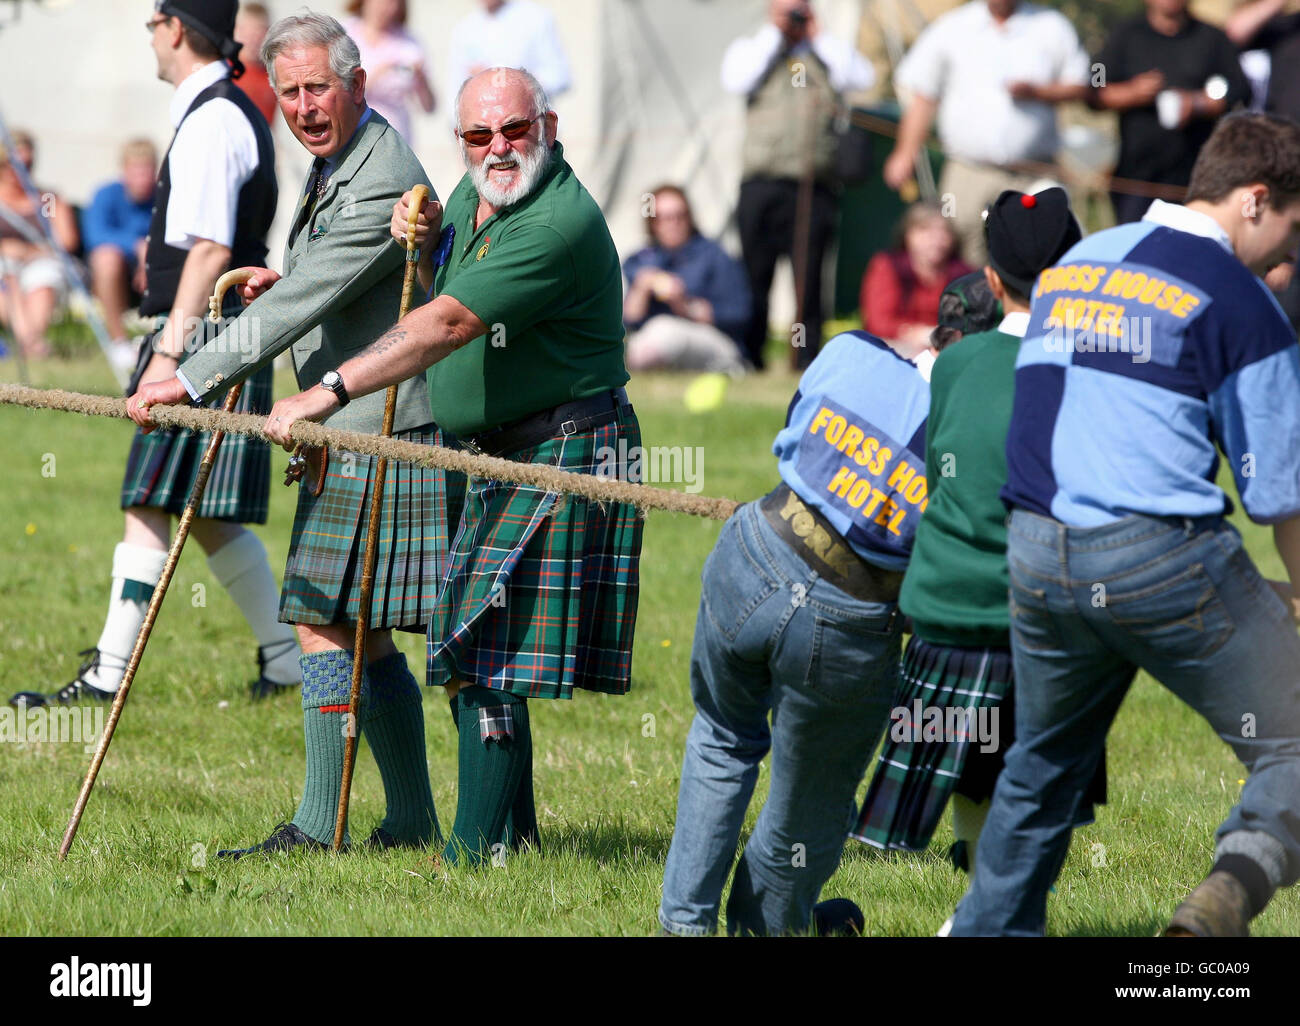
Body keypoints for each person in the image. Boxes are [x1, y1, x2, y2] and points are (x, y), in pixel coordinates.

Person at [250, 66, 643, 868]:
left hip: (563, 445)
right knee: (483, 643)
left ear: (550, 127)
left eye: (514, 130)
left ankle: (470, 858)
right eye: (477, 135)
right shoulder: (476, 197)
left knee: (478, 645)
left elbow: (450, 321)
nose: (497, 149)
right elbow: (447, 285)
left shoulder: (554, 223)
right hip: (503, 448)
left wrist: (327, 391)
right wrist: (427, 247)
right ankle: (512, 840)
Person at [947, 112, 1300, 937]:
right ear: (1255, 201)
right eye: (1290, 225)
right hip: (1157, 556)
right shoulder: (1242, 302)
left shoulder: (1076, 265)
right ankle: (1226, 898)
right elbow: (1282, 499)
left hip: (1035, 553)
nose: (1288, 251)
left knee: (1039, 771)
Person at [128, 10, 459, 856]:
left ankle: (318, 828)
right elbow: (322, 280)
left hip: (376, 425)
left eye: (320, 87)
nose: (306, 105)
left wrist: (187, 373)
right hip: (350, 424)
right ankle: (414, 821)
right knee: (361, 627)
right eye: (291, 92)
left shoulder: (385, 171)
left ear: (356, 84)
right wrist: (299, 272)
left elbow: (296, 307)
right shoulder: (339, 156)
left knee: (318, 617)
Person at [8, 1, 299, 710]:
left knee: (148, 498)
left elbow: (208, 249)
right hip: (217, 330)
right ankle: (287, 659)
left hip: (202, 335)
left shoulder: (213, 117)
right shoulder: (221, 111)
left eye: (152, 23)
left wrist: (168, 356)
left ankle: (109, 672)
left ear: (174, 28)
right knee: (199, 510)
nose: (150, 36)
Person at [657, 286, 955, 936]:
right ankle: (762, 931)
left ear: (937, 333)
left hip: (755, 546)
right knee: (806, 809)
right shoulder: (973, 438)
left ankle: (682, 927)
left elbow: (795, 431)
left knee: (721, 740)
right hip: (849, 615)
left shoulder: (852, 349)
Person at [853, 191, 1108, 895]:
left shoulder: (956, 364)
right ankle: (994, 901)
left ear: (990, 283)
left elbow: (940, 479)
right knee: (1029, 785)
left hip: (941, 615)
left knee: (975, 762)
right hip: (1042, 616)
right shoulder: (1094, 367)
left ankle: (974, 871)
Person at [721, 0, 874, 370]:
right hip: (762, 182)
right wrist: (776, 34)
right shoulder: (753, 48)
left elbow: (863, 79)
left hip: (814, 185)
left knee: (810, 279)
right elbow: (737, 79)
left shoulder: (825, 53)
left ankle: (806, 358)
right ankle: (751, 354)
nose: (792, 18)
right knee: (756, 274)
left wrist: (817, 36)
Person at [883, 0, 1091, 263]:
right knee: (959, 249)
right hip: (968, 170)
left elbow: (1083, 84)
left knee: (1046, 250)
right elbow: (924, 94)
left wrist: (1039, 92)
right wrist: (905, 152)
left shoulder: (1052, 27)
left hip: (1032, 173)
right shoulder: (952, 27)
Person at [1093, 0, 1250, 224]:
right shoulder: (1126, 34)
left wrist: (1199, 103)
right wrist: (1130, 92)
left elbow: (1239, 89)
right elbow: (1096, 77)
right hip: (1136, 176)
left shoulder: (1212, 38)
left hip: (1196, 178)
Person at [622, 184, 752, 375]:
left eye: (679, 216)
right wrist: (642, 287)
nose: (673, 223)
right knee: (650, 334)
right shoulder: (641, 260)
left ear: (689, 217)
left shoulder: (714, 256)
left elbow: (741, 314)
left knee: (666, 329)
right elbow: (629, 321)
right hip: (654, 338)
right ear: (652, 223)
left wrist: (688, 307)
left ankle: (634, 362)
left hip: (716, 343)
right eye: (665, 218)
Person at [0, 130, 80, 361]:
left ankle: (28, 344)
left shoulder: (47, 199)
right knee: (7, 278)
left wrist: (29, 252)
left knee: (43, 280)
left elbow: (65, 241)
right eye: (15, 164)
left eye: (28, 163)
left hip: (42, 262)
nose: (21, 170)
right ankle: (33, 344)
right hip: (5, 265)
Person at [859, 202, 972, 357]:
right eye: (925, 230)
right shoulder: (888, 267)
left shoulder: (964, 274)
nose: (936, 238)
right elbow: (878, 322)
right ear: (907, 235)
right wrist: (915, 332)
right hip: (893, 350)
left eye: (944, 231)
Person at [83, 139, 157, 352]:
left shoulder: (164, 198)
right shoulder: (106, 194)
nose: (142, 179)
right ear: (124, 171)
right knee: (106, 258)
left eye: (147, 171)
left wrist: (149, 255)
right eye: (137, 171)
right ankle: (119, 344)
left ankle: (169, 341)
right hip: (112, 278)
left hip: (153, 273)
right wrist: (137, 246)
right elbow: (95, 236)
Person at [445, 0, 571, 107]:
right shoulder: (464, 29)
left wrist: (505, 81)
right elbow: (454, 92)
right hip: (482, 131)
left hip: (529, 126)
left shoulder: (536, 18)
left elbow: (560, 76)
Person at [343, 0, 435, 143]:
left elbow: (430, 107)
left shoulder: (409, 42)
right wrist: (379, 73)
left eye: (393, 2)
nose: (386, 8)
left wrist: (421, 79)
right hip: (354, 135)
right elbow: (340, 94)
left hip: (397, 136)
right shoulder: (346, 34)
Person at [233, 2, 277, 125]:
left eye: (259, 33)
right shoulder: (223, 72)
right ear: (236, 31)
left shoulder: (275, 76)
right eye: (248, 33)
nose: (254, 40)